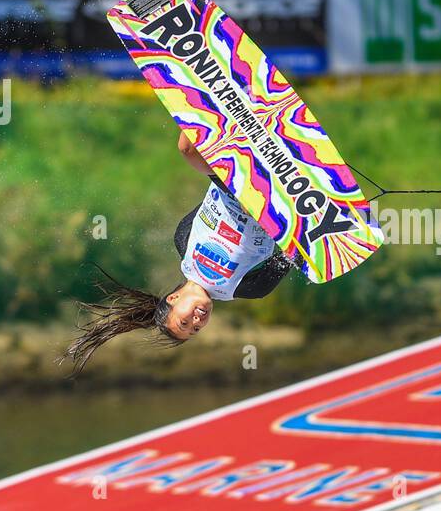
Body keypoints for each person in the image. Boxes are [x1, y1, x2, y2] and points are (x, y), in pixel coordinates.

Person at [63, 129, 294, 372]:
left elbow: (211, 201)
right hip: (276, 205)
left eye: (185, 322)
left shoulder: (183, 241)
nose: (197, 321)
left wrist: (236, 184)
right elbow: (294, 252)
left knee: (187, 149)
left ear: (173, 298)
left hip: (235, 182)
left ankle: (208, 108)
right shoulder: (247, 288)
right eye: (196, 329)